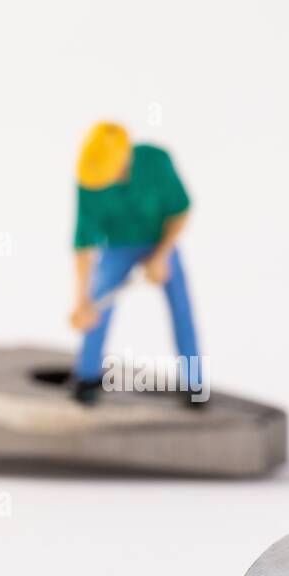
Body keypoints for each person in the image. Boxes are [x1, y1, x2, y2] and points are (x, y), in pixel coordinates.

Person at [69, 122, 203, 405]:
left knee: (182, 308)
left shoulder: (156, 160)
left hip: (161, 242)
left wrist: (162, 256)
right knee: (98, 305)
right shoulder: (89, 181)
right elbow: (84, 245)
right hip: (117, 247)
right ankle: (87, 376)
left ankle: (194, 383)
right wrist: (81, 300)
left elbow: (180, 211)